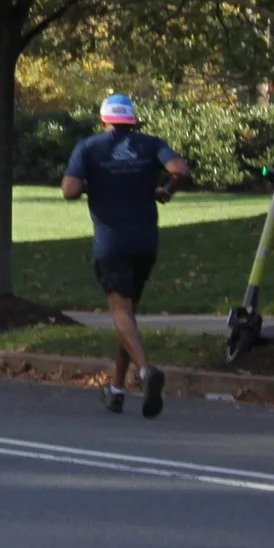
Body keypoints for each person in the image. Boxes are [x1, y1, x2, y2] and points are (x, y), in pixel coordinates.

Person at [61, 93, 191, 417]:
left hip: (112, 243)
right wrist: (166, 191)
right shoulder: (150, 144)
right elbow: (180, 170)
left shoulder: (89, 147)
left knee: (121, 313)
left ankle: (146, 371)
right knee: (128, 318)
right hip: (146, 242)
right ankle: (117, 390)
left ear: (103, 120)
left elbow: (69, 190)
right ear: (132, 121)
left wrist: (94, 184)